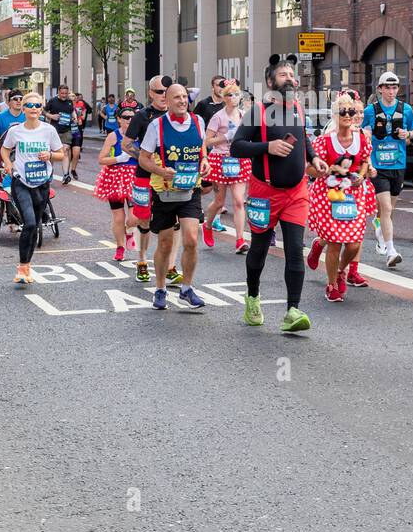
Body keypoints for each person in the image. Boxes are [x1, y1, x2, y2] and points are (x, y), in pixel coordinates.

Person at [231, 54, 329, 332]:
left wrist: (313, 158)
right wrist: (268, 147)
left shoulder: (297, 107)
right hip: (264, 192)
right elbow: (237, 147)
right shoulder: (257, 112)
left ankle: (292, 311)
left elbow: (304, 138)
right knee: (260, 249)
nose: (290, 78)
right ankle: (252, 298)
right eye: (284, 74)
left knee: (295, 249)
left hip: (297, 192)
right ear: (270, 81)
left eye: (292, 74)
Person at [135, 82, 210, 311]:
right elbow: (143, 158)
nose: (182, 101)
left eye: (184, 97)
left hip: (190, 189)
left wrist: (204, 161)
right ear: (166, 101)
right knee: (165, 244)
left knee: (191, 239)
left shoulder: (198, 121)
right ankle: (160, 289)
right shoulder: (156, 126)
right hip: (165, 191)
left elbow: (202, 148)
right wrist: (160, 171)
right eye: (176, 97)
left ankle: (186, 289)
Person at [306, 91, 373, 301]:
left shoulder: (361, 138)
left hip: (353, 196)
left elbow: (364, 160)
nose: (347, 115)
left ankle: (341, 271)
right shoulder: (324, 141)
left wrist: (362, 175)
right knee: (335, 243)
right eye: (343, 111)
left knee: (353, 244)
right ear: (335, 115)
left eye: (351, 111)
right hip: (330, 195)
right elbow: (309, 169)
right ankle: (331, 284)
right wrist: (327, 171)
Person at [123, 76, 182, 285]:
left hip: (170, 177)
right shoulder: (142, 116)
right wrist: (145, 158)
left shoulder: (178, 115)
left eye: (167, 92)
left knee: (174, 222)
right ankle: (142, 261)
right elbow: (126, 144)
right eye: (159, 92)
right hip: (145, 176)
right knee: (144, 219)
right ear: (150, 93)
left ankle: (171, 266)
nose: (163, 96)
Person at [1, 94, 65, 286]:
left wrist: (50, 155)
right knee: (29, 223)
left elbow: (61, 154)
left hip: (42, 182)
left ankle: (27, 265)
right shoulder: (15, 131)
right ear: (23, 108)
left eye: (37, 105)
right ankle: (22, 267)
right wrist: (8, 164)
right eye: (29, 105)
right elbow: (5, 149)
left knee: (36, 224)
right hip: (21, 181)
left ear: (41, 108)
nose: (34, 108)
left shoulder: (49, 130)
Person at [362, 72, 413, 268]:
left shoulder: (406, 110)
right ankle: (391, 251)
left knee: (389, 209)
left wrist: (407, 134)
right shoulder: (370, 111)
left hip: (398, 163)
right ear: (380, 89)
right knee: (385, 207)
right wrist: (366, 134)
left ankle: (379, 229)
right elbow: (362, 133)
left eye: (395, 88)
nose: (391, 91)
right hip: (378, 166)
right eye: (388, 88)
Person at [200, 81, 251, 252]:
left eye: (236, 94)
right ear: (224, 97)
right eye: (230, 94)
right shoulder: (218, 117)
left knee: (238, 201)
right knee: (219, 201)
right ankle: (207, 227)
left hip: (238, 160)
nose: (233, 97)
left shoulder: (244, 116)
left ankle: (240, 240)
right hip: (219, 159)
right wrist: (225, 137)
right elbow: (207, 141)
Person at [94, 108, 141, 261]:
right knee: (118, 217)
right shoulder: (113, 136)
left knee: (134, 217)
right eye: (126, 117)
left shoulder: (141, 134)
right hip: (115, 178)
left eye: (133, 117)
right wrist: (118, 159)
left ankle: (129, 232)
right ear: (119, 119)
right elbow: (101, 159)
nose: (129, 120)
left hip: (135, 177)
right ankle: (120, 247)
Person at [45, 83, 77, 184]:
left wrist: (75, 117)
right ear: (59, 92)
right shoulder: (52, 101)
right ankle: (50, 173)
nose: (64, 95)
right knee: (53, 153)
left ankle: (66, 175)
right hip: (54, 130)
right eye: (62, 93)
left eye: (66, 93)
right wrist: (51, 116)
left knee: (65, 150)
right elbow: (44, 111)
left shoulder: (69, 102)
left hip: (66, 130)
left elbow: (72, 111)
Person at [71, 93, 93, 178]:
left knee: (76, 151)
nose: (74, 99)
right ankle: (66, 172)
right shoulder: (66, 106)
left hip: (77, 129)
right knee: (67, 151)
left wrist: (82, 115)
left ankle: (73, 169)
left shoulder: (81, 103)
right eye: (72, 98)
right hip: (68, 130)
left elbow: (84, 113)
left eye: (75, 98)